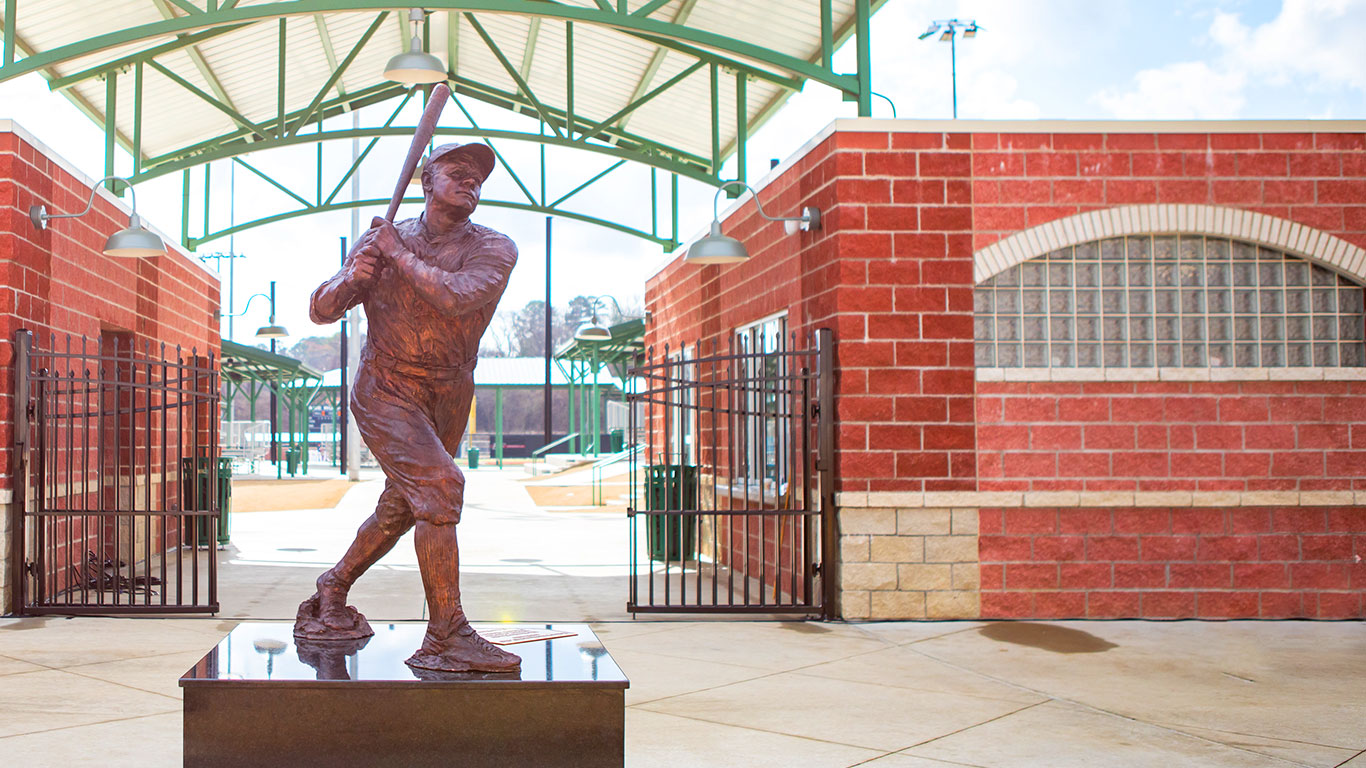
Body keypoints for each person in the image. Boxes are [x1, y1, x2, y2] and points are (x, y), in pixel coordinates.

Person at [297, 142, 520, 673]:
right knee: (442, 488)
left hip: (449, 390)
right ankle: (447, 634)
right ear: (427, 181)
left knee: (404, 507)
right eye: (459, 173)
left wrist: (395, 253)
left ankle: (334, 585)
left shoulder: (495, 246)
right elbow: (321, 310)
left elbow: (458, 296)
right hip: (387, 387)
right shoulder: (382, 241)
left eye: (479, 178)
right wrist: (353, 276)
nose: (472, 183)